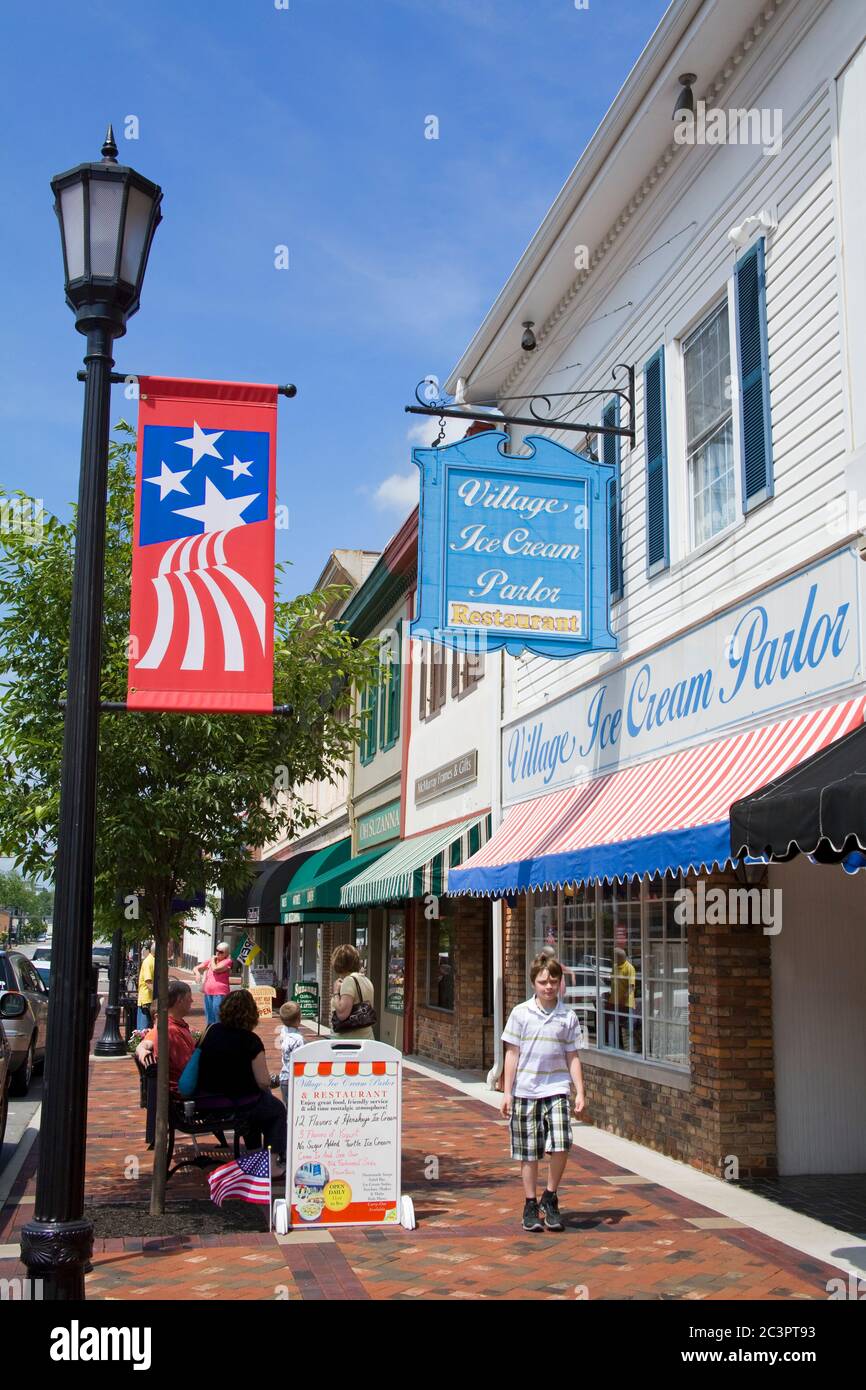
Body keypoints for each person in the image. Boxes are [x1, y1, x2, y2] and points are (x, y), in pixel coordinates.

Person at [501, 953, 586, 1233]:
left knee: (561, 1142)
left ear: (560, 983)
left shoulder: (568, 1016)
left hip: (557, 1088)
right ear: (533, 983)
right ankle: (530, 1203)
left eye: (553, 981)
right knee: (529, 1151)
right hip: (526, 1089)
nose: (548, 986)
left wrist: (580, 1091)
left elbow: (572, 1055)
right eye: (542, 982)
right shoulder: (520, 1013)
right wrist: (507, 1092)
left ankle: (550, 1196)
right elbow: (511, 1054)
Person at [195, 988, 287, 1169]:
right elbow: (262, 1081)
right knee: (275, 1110)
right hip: (237, 1103)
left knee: (259, 1105)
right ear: (251, 1013)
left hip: (207, 1101)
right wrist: (274, 1080)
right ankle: (274, 1165)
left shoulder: (211, 1031)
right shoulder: (251, 1040)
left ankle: (254, 1156)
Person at [135, 978, 196, 1095]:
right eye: (189, 998)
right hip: (183, 1089)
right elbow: (188, 1068)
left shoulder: (174, 1026)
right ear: (179, 1000)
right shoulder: (170, 1030)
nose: (192, 1001)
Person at [330, 943, 375, 1040]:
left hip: (348, 1043)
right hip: (366, 1038)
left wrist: (336, 992)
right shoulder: (366, 980)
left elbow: (342, 1014)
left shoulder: (349, 981)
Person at [194, 941, 233, 1025]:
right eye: (217, 950)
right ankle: (210, 1034)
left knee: (218, 1016)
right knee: (209, 1017)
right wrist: (197, 973)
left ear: (226, 954)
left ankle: (220, 1035)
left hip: (220, 993)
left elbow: (216, 969)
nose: (218, 953)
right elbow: (196, 967)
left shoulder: (228, 961)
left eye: (221, 952)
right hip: (208, 992)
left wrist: (212, 960)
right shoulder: (212, 961)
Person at [275, 1000, 305, 1104]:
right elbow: (301, 1059)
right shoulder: (298, 1039)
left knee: (287, 1109)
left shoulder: (284, 1031)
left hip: (284, 1078)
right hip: (295, 1079)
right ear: (299, 1019)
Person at [136, 943, 155, 1032]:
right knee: (143, 1029)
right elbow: (148, 982)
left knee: (147, 1028)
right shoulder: (149, 962)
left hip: (149, 998)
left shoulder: (153, 960)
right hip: (146, 999)